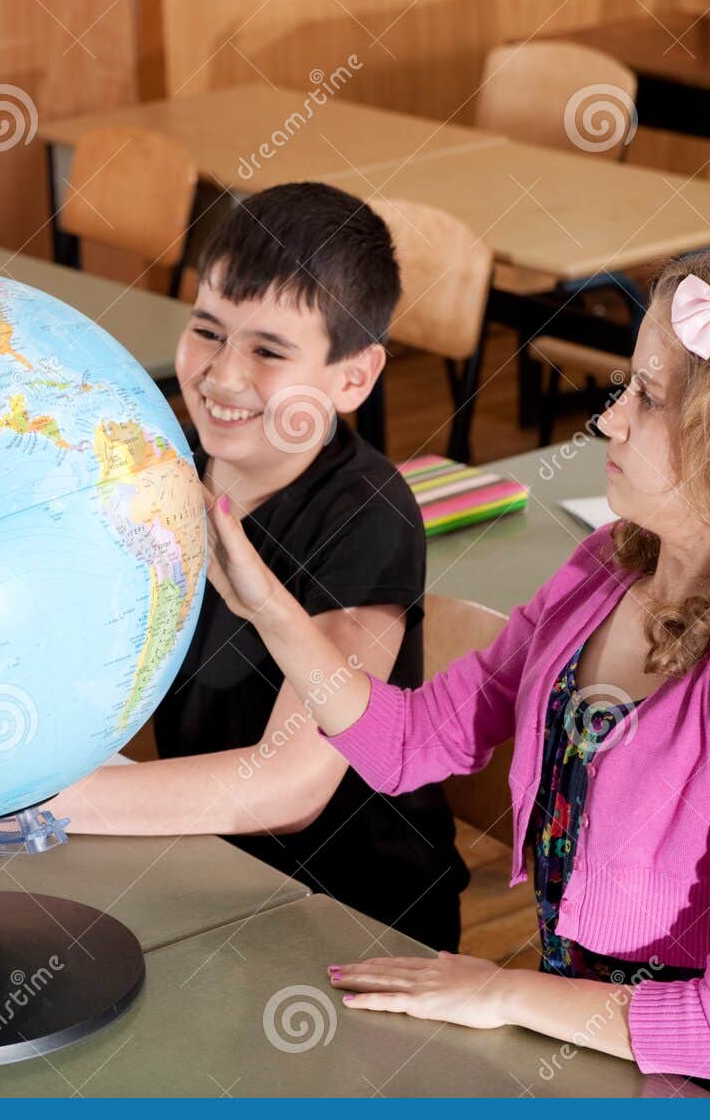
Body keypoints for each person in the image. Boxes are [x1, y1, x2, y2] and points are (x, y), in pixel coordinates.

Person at [203, 233, 710, 1096]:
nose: (609, 416)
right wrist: (269, 607)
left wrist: (506, 990)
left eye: (648, 398)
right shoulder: (603, 570)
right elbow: (408, 744)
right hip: (585, 1056)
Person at [48, 182, 470, 950]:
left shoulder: (367, 514)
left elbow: (291, 785)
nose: (222, 376)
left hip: (359, 921)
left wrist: (45, 806)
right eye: (208, 331)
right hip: (210, 876)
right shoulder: (161, 458)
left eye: (268, 351)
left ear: (353, 378)